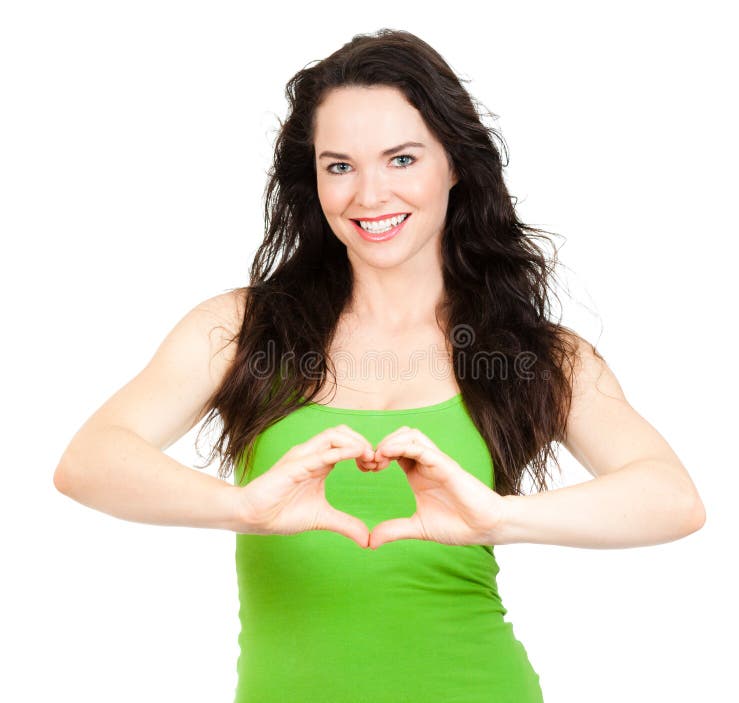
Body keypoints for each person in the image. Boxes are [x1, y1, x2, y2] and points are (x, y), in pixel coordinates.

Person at [53, 28, 706, 703]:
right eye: (340, 165)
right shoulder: (241, 330)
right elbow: (90, 459)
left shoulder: (533, 353)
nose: (370, 194)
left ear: (454, 162)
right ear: (313, 179)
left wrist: (498, 519)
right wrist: (242, 507)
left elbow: (671, 498)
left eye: (401, 159)